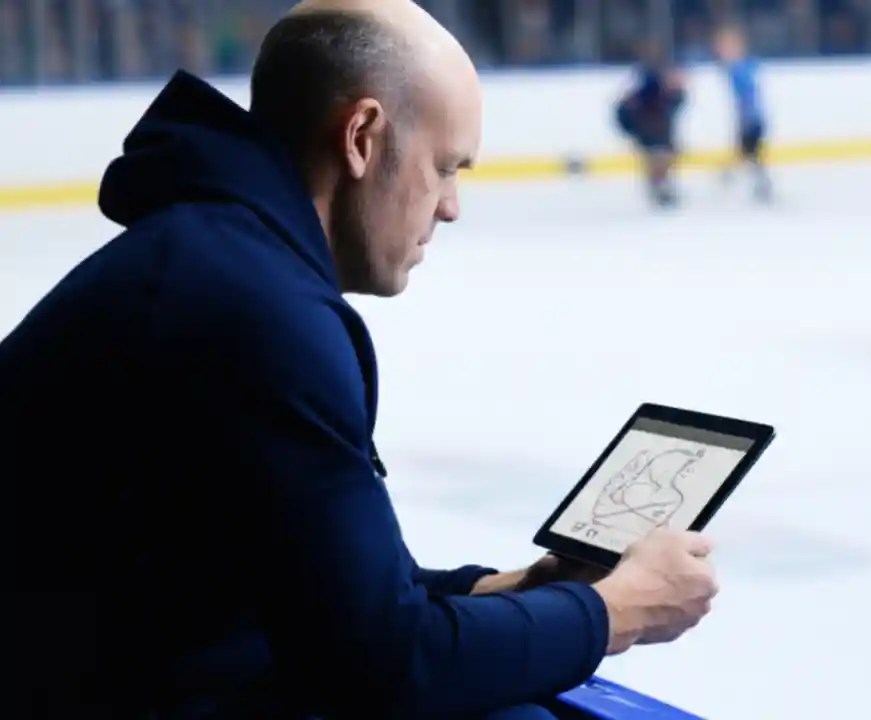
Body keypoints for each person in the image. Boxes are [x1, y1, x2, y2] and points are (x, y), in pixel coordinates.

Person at [0, 1, 719, 718]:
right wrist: (616, 611)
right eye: (444, 167)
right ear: (362, 137)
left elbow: (335, 599)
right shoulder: (254, 309)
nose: (450, 208)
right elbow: (383, 664)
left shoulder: (214, 258)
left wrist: (532, 586)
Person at [614, 42, 687, 208]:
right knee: (657, 155)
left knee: (666, 154)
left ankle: (661, 186)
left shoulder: (674, 92)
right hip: (644, 124)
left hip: (658, 124)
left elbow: (673, 109)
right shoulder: (648, 83)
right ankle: (659, 186)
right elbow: (628, 106)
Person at [712, 24, 772, 203]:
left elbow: (748, 94)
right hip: (749, 117)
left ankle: (730, 175)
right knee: (749, 152)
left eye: (727, 46)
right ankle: (732, 175)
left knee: (748, 152)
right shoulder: (738, 68)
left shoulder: (741, 69)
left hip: (751, 118)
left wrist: (746, 116)